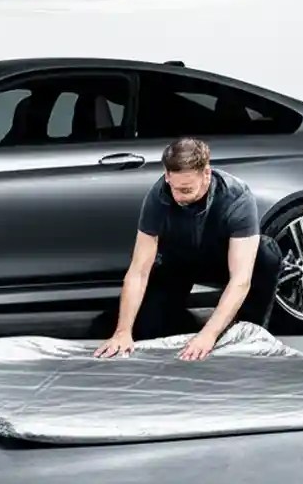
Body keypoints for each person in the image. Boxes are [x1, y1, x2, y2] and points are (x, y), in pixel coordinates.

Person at [93, 137, 283, 361]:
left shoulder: (236, 196)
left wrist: (209, 335)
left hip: (221, 260)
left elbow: (240, 280)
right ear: (167, 176)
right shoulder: (158, 197)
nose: (180, 196)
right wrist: (122, 331)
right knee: (146, 329)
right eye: (176, 188)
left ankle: (245, 331)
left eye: (187, 189)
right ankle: (181, 321)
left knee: (267, 253)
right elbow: (139, 271)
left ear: (206, 174)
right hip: (179, 261)